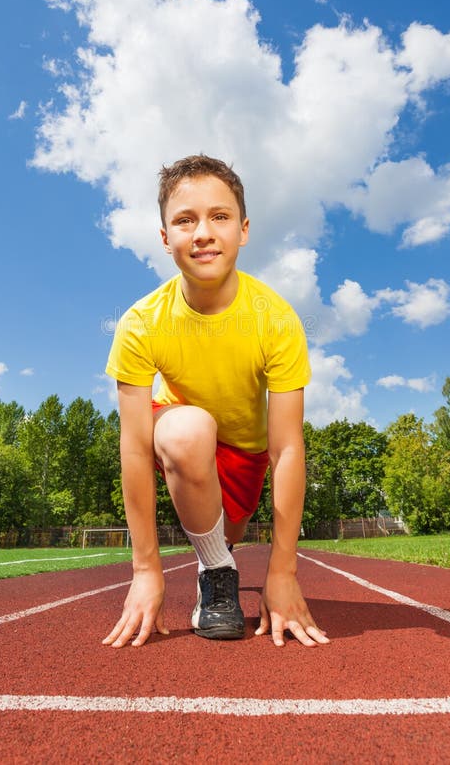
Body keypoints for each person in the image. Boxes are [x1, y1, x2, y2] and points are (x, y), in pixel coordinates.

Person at [102, 154, 329, 649]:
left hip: (245, 455)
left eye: (219, 216)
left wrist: (283, 571)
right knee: (189, 432)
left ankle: (219, 556)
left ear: (243, 231)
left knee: (225, 539)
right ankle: (218, 576)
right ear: (165, 238)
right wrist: (145, 570)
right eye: (185, 220)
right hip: (179, 432)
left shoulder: (276, 319)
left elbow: (287, 449)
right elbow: (137, 449)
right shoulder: (140, 323)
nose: (202, 232)